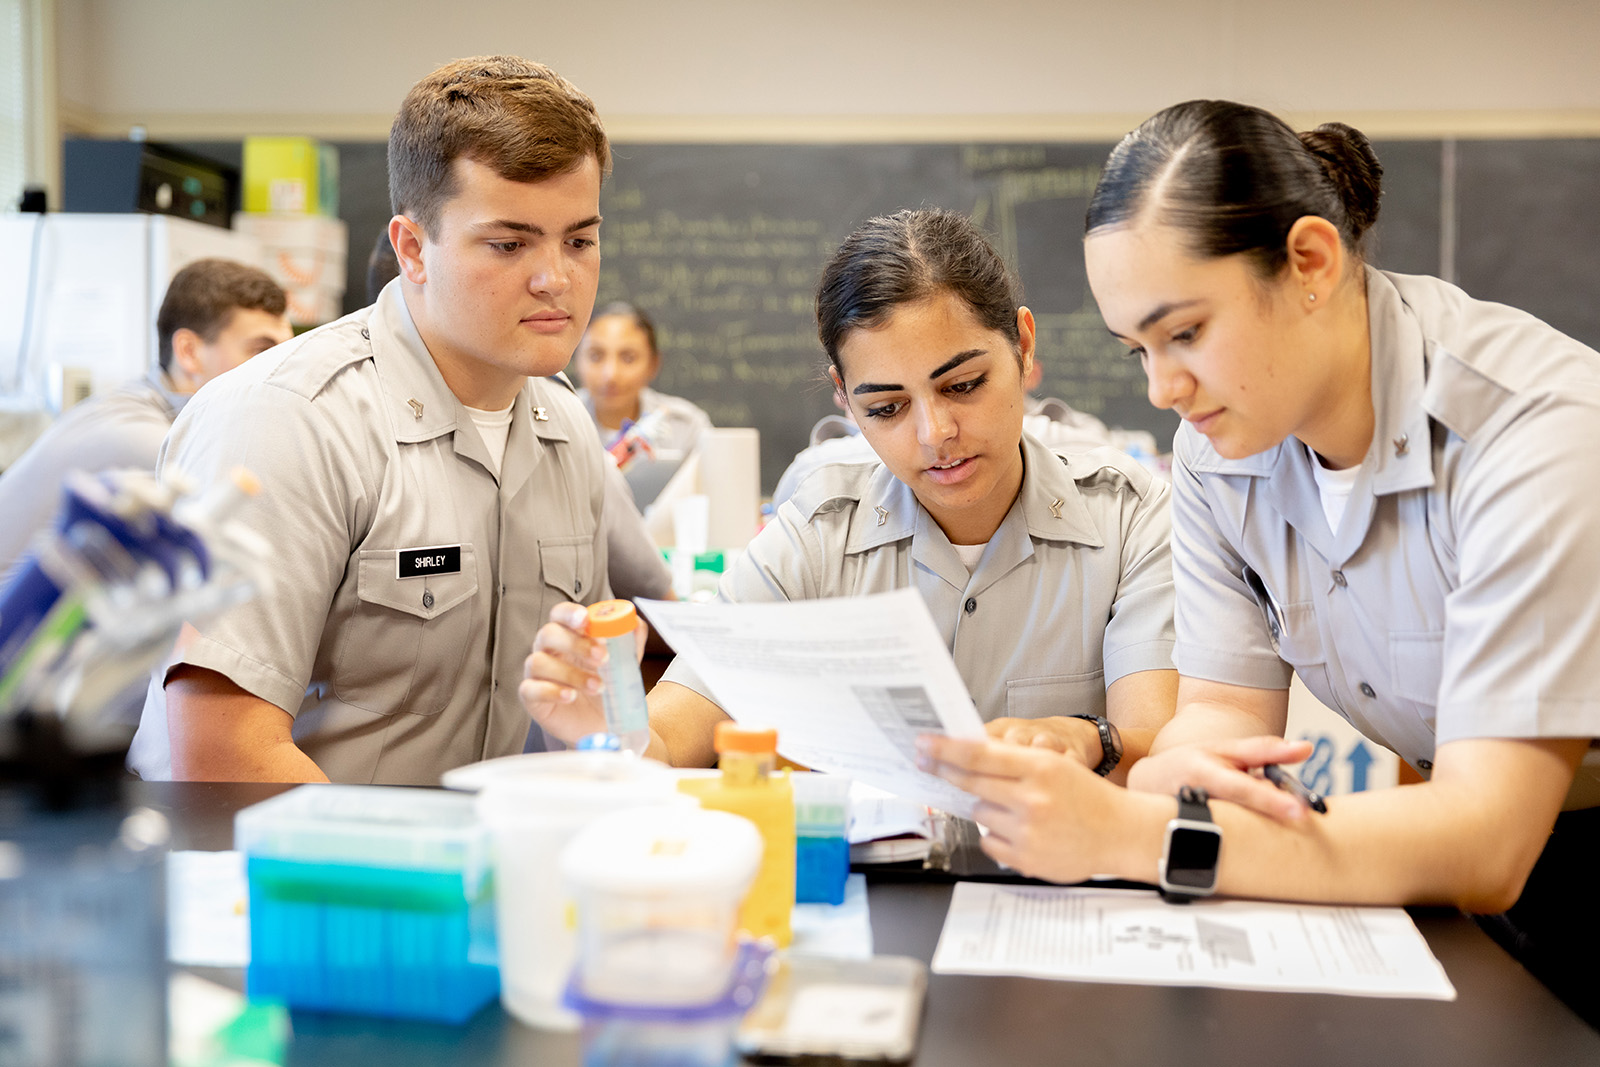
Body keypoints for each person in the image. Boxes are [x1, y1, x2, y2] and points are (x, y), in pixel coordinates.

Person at [917, 100, 1600, 1025]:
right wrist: (1173, 776)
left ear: (1310, 263)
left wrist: (1131, 829)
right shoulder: (1220, 452)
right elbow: (1220, 715)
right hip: (1487, 865)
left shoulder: (1531, 431)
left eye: (1187, 332)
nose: (1163, 388)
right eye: (1139, 351)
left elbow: (1486, 836)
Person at [523, 208, 1178, 782]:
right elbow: (669, 736)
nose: (935, 434)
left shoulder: (1128, 515)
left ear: (1024, 344)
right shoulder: (817, 524)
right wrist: (607, 723)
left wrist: (1086, 739)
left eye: (964, 385)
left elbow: (1160, 754)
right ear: (844, 396)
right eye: (887, 407)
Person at [128, 55, 615, 785]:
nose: (557, 279)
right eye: (510, 244)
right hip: (290, 881)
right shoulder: (286, 421)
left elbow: (592, 690)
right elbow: (223, 751)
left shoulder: (565, 429)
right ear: (412, 249)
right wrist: (420, 885)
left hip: (470, 866)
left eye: (578, 240)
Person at [0, 258, 290, 585]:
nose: (280, 372)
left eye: (286, 354)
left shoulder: (151, 407)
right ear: (189, 351)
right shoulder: (145, 440)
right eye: (263, 352)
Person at [574, 301, 711, 458]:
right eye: (596, 356)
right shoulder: (556, 421)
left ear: (653, 364)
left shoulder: (687, 427)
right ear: (576, 359)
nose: (611, 375)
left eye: (628, 358)